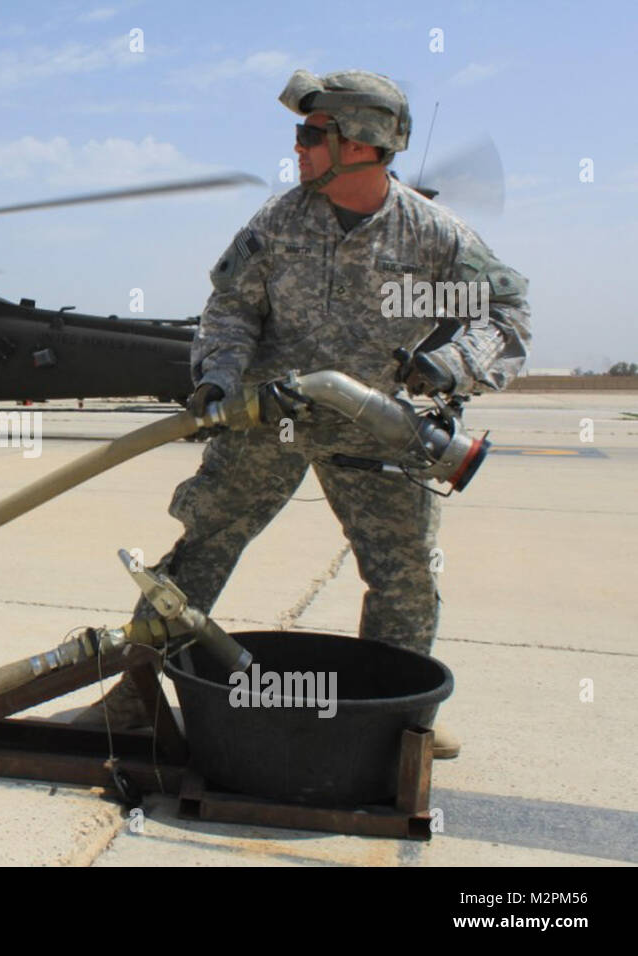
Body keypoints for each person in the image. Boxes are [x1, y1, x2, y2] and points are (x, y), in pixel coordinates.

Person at [75, 69, 531, 759]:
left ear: (363, 141)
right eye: (301, 133)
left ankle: (401, 725)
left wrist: (449, 368)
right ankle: (136, 696)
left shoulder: (433, 234)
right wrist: (220, 380)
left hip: (376, 426)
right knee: (203, 547)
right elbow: (230, 309)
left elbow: (504, 312)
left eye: (313, 134)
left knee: (402, 573)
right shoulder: (277, 223)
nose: (299, 148)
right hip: (268, 418)